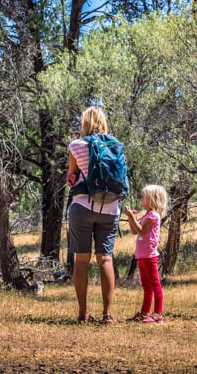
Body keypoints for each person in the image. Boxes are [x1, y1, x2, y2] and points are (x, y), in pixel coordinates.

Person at [66, 106, 122, 324]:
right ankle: (107, 314)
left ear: (85, 123)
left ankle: (83, 313)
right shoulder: (115, 145)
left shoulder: (76, 145)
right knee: (105, 259)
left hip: (82, 207)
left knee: (81, 260)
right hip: (110, 207)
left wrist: (72, 178)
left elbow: (72, 176)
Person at [124, 184, 169, 323]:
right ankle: (144, 312)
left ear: (153, 199)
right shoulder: (147, 215)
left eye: (144, 196)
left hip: (149, 255)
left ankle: (158, 313)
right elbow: (134, 230)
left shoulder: (154, 215)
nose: (141, 198)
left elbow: (142, 231)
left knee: (155, 285)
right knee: (147, 286)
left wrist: (131, 215)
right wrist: (131, 218)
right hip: (142, 255)